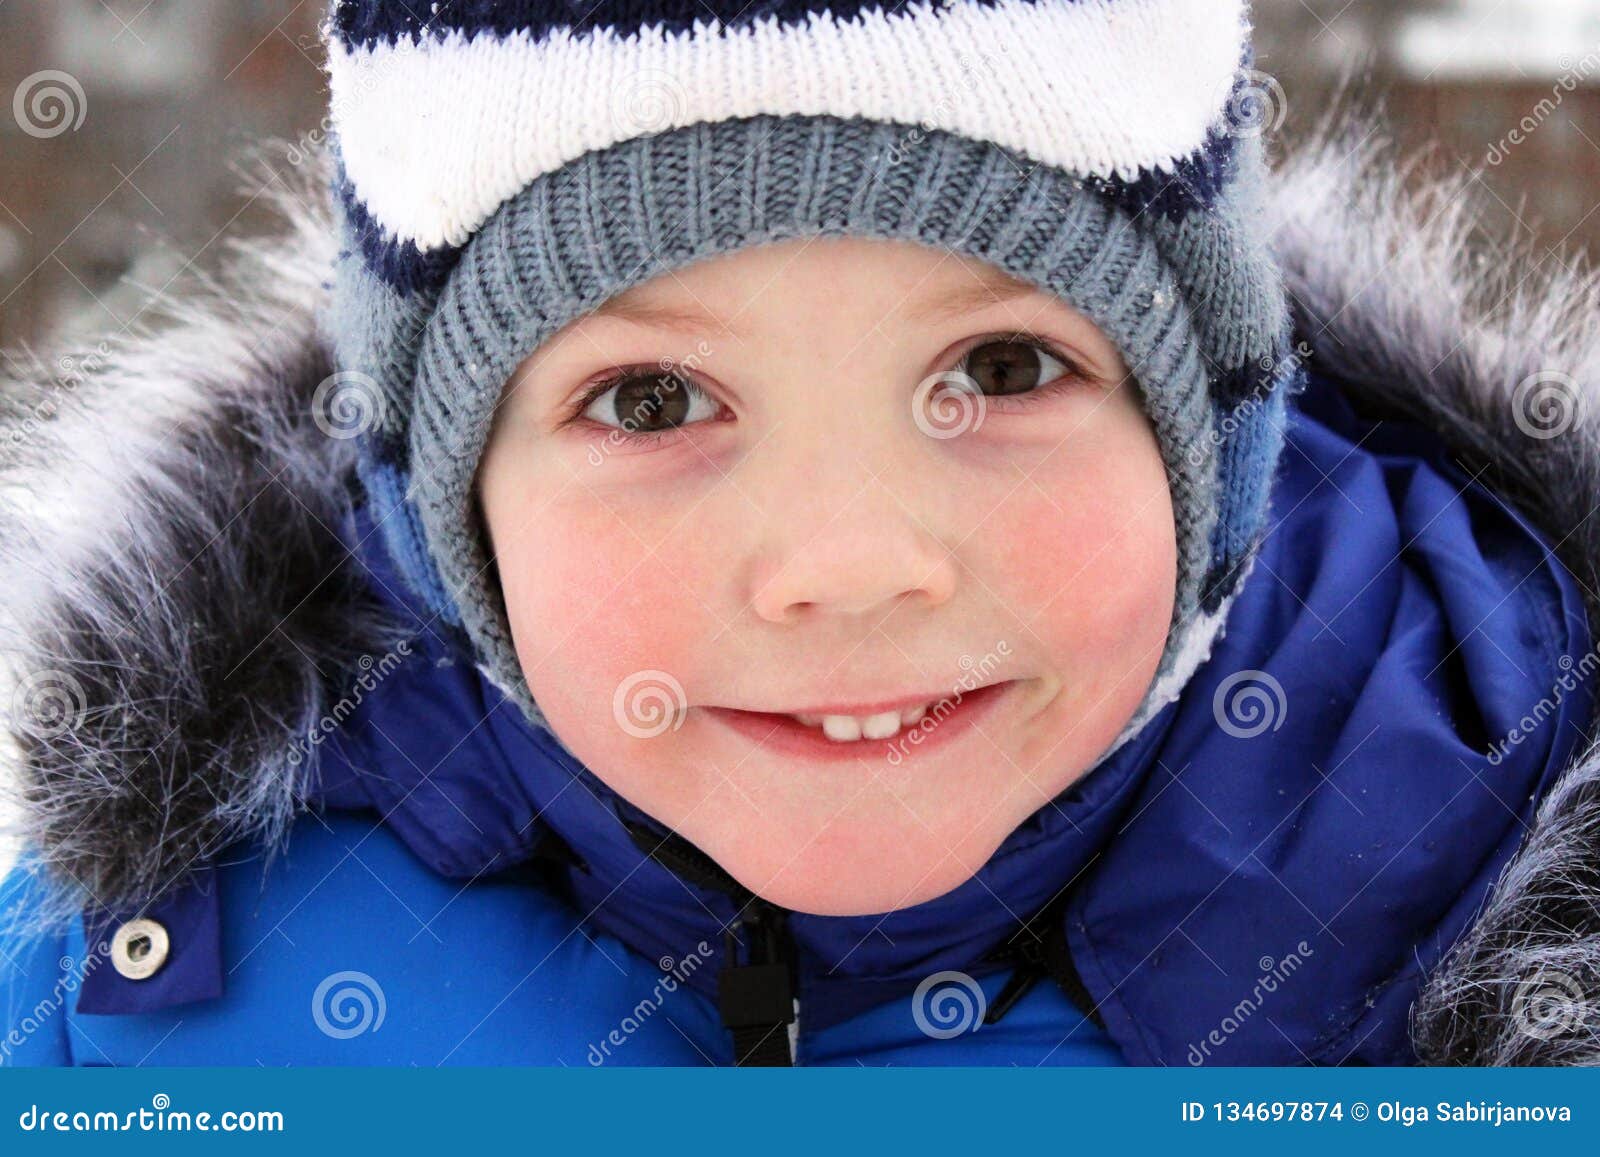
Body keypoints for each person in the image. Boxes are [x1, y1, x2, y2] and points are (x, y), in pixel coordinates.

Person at [2, 0, 1598, 1066]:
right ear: (448, 502)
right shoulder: (145, 997)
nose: (848, 561)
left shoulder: (1510, 948)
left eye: (1002, 368)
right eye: (650, 400)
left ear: (1213, 438)